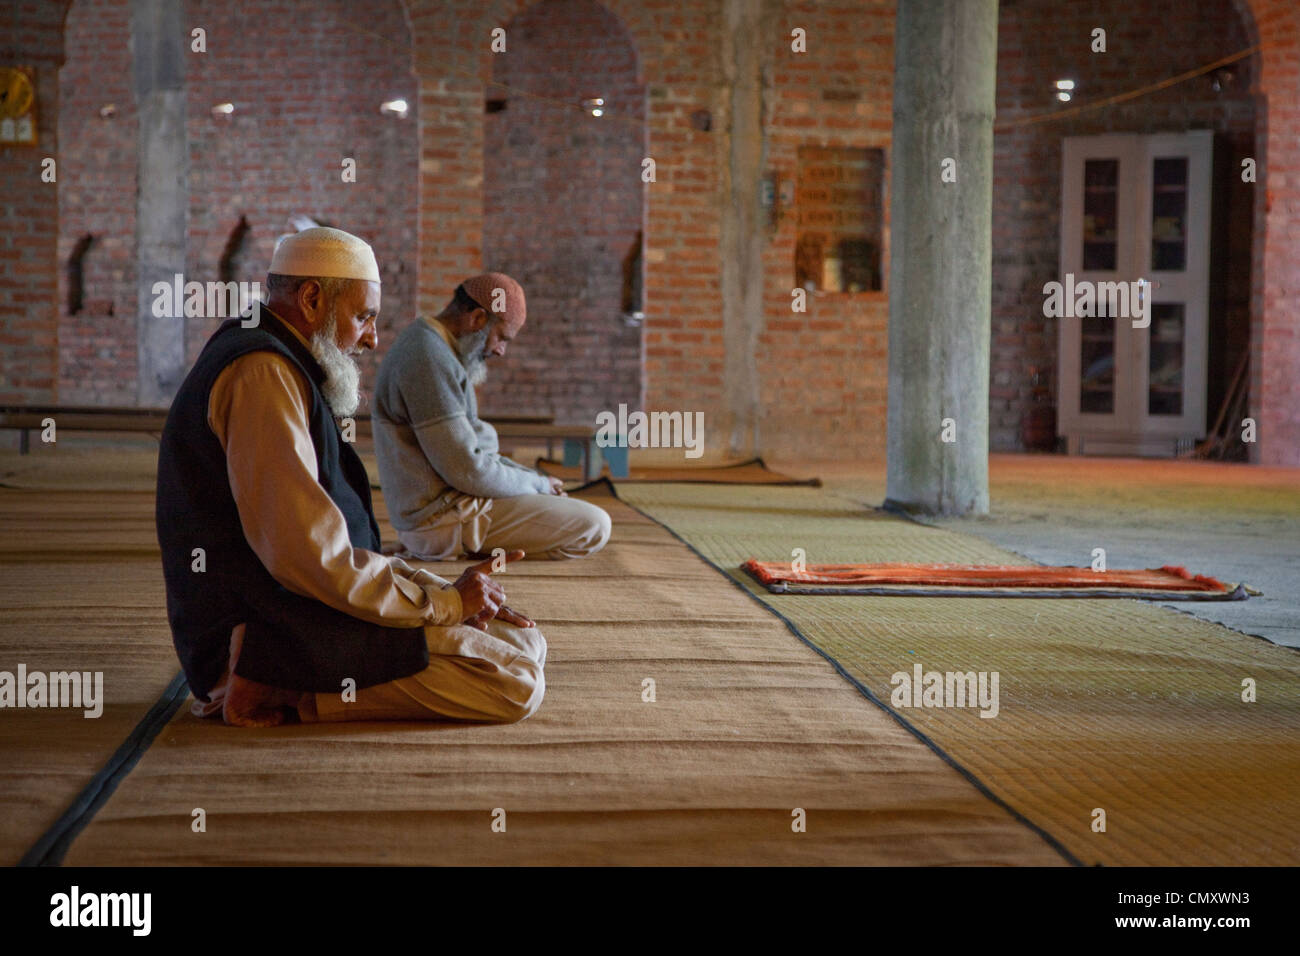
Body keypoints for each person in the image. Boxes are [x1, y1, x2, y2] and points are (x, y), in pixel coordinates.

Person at [154, 227, 546, 727]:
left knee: (524, 641)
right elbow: (310, 557)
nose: (372, 338)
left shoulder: (283, 359)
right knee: (514, 684)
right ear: (312, 298)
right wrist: (443, 602)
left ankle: (289, 684)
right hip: (264, 634)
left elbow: (325, 547)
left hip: (304, 607)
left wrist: (435, 588)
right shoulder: (262, 374)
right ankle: (274, 690)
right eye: (363, 316)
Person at [372, 272, 611, 561]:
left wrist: (535, 480)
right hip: (441, 520)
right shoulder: (428, 356)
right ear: (477, 319)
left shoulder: (435, 346)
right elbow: (468, 470)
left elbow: (472, 459)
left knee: (565, 509)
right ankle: (454, 553)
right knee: (595, 524)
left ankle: (472, 550)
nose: (500, 350)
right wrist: (537, 484)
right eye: (502, 338)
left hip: (455, 508)